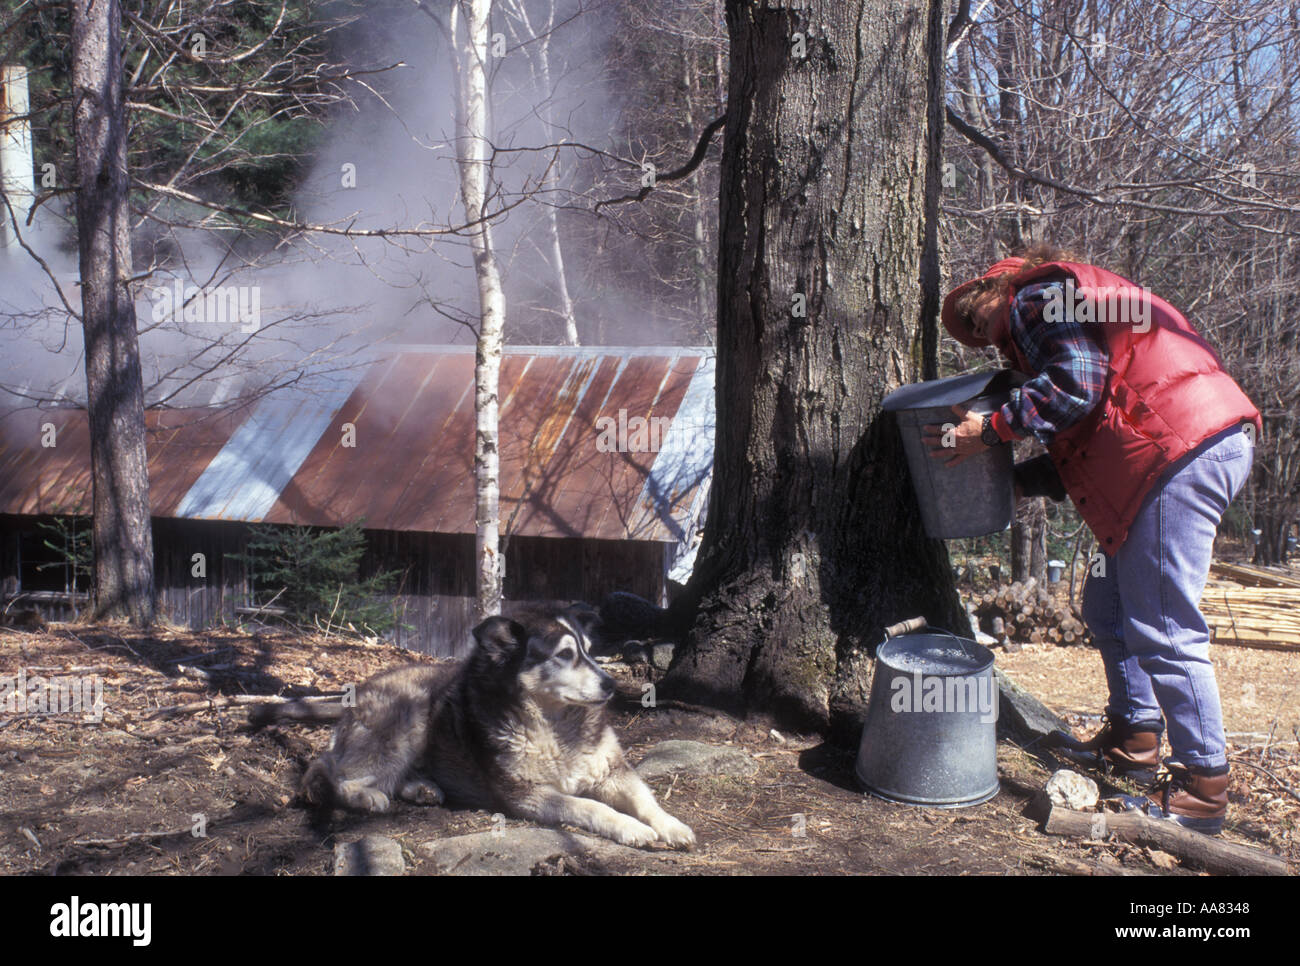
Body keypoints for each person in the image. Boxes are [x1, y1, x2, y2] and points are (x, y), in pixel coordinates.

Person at [924, 244, 1261, 835]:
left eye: (977, 319)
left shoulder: (1033, 299)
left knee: (1162, 622)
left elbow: (1077, 387)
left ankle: (1204, 787)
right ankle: (1134, 740)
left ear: (998, 286)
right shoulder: (1076, 306)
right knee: (1107, 604)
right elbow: (1091, 419)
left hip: (1178, 451)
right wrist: (1017, 483)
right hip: (1188, 444)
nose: (985, 339)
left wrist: (992, 430)